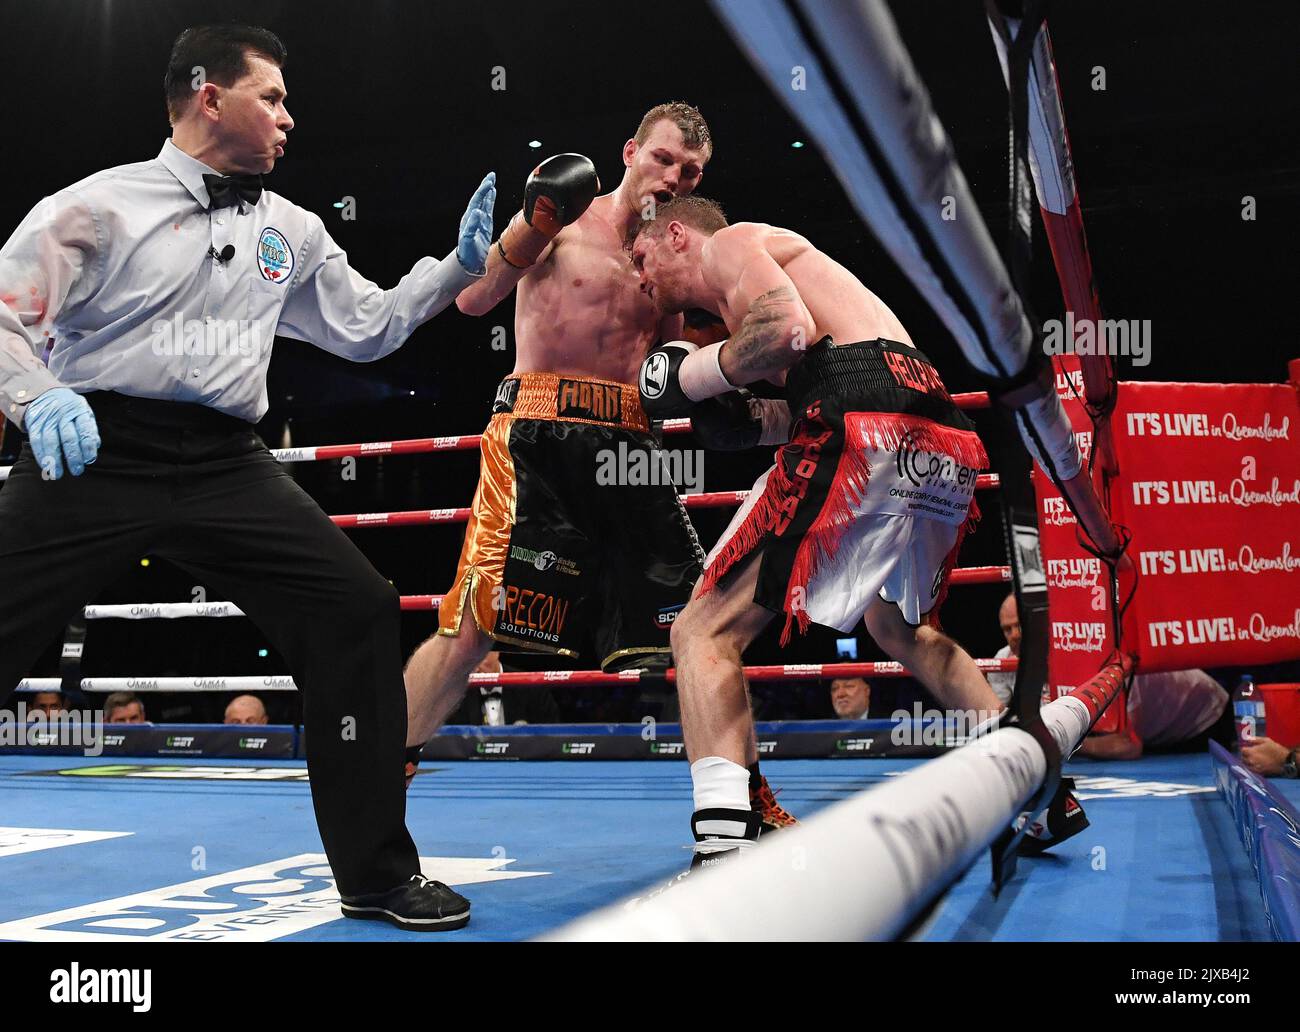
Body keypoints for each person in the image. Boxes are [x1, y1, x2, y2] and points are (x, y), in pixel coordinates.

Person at [0, 23, 495, 931]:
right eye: (271, 97)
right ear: (206, 93)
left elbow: (367, 328)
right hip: (98, 442)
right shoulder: (98, 205)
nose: (288, 119)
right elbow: (4, 314)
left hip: (228, 461)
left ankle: (377, 873)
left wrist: (457, 269)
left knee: (355, 607)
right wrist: (36, 399)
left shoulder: (292, 229)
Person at [403, 103, 790, 826]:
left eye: (693, 172)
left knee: (701, 622)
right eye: (666, 159)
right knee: (475, 623)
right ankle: (379, 773)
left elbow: (668, 368)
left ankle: (745, 799)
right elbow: (473, 298)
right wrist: (530, 224)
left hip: (632, 447)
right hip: (538, 436)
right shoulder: (566, 219)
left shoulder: (669, 255)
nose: (675, 177)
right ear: (630, 151)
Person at [631, 196, 1005, 862]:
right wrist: (744, 415)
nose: (639, 277)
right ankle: (1034, 789)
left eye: (642, 255)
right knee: (901, 629)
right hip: (938, 430)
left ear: (679, 235)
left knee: (701, 630)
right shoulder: (785, 277)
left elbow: (786, 332)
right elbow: (808, 384)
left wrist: (688, 375)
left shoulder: (732, 241)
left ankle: (723, 843)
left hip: (866, 418)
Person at [1076, 669, 1232, 760]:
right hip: (1158, 718)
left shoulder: (1117, 672)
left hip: (1207, 716)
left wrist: (1071, 746)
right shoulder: (1063, 672)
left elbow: (1129, 745)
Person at [446, 651, 560, 726]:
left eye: (484, 649)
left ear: (497, 651)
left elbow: (551, 731)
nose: (479, 660)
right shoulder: (459, 693)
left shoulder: (529, 686)